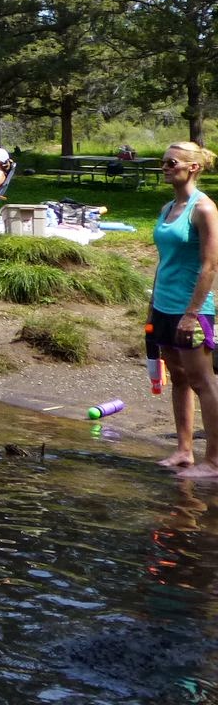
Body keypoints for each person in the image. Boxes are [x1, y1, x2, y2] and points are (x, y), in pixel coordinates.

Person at [149, 142, 218, 478]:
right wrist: (151, 307)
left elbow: (209, 266)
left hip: (193, 309)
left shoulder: (203, 208)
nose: (164, 167)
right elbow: (164, 262)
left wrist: (192, 314)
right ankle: (184, 450)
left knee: (202, 381)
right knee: (177, 377)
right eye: (162, 162)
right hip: (163, 305)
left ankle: (215, 461)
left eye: (171, 162)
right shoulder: (166, 208)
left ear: (192, 167)